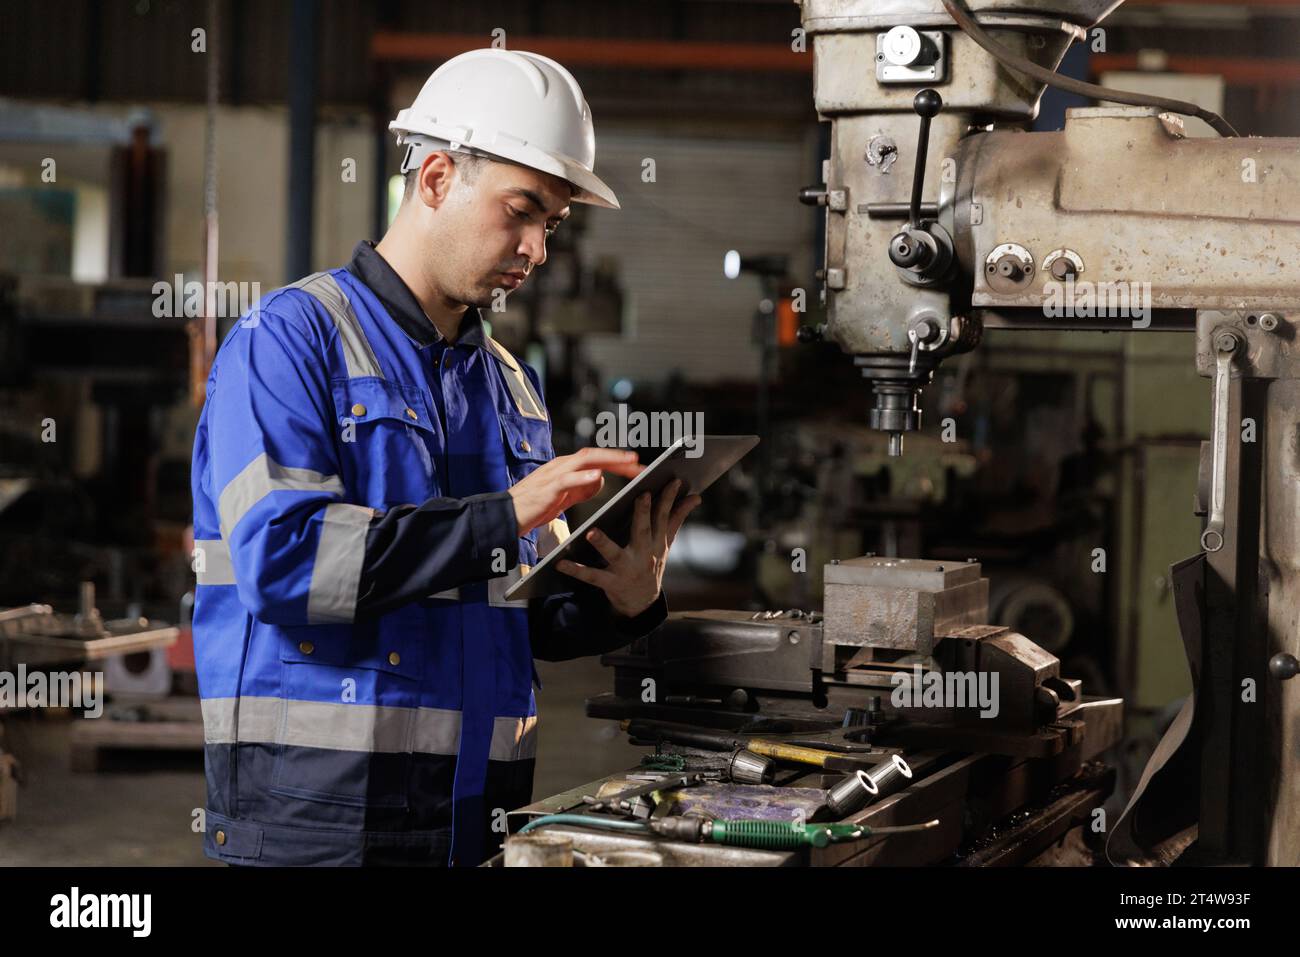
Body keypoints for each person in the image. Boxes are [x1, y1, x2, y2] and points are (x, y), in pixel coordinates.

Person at [190, 48, 699, 866]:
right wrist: (507, 513)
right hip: (313, 826)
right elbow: (283, 565)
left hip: (477, 819)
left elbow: (520, 615)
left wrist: (625, 599)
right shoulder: (286, 341)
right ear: (434, 179)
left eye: (553, 224)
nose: (536, 248)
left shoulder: (511, 386)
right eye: (521, 209)